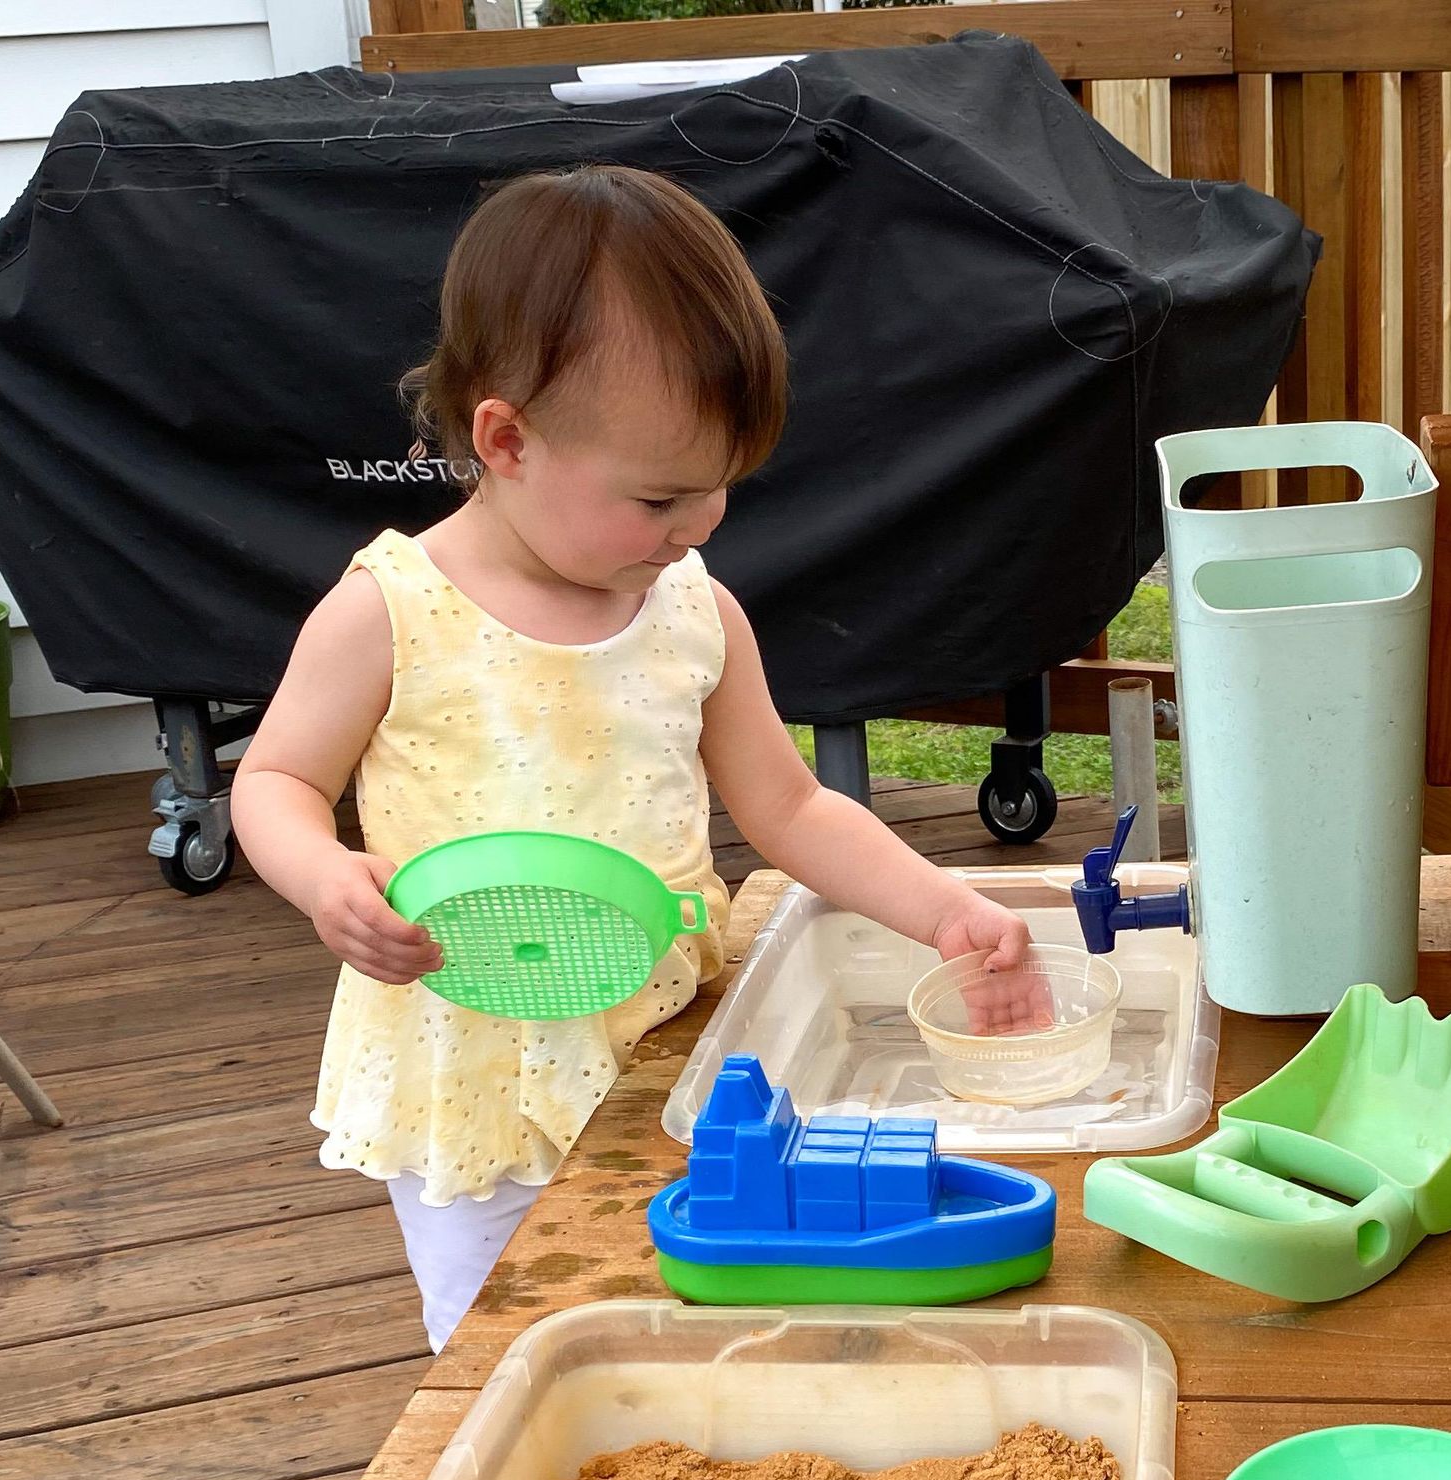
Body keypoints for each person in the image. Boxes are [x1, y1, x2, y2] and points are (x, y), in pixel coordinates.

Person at [233, 165, 1029, 1349]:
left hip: (665, 1035)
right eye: (662, 497)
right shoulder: (391, 610)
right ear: (506, 439)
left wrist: (943, 910)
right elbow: (276, 780)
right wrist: (321, 876)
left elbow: (794, 807)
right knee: (500, 1329)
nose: (699, 528)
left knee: (681, 1293)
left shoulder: (695, 612)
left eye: (717, 493)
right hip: (473, 1055)